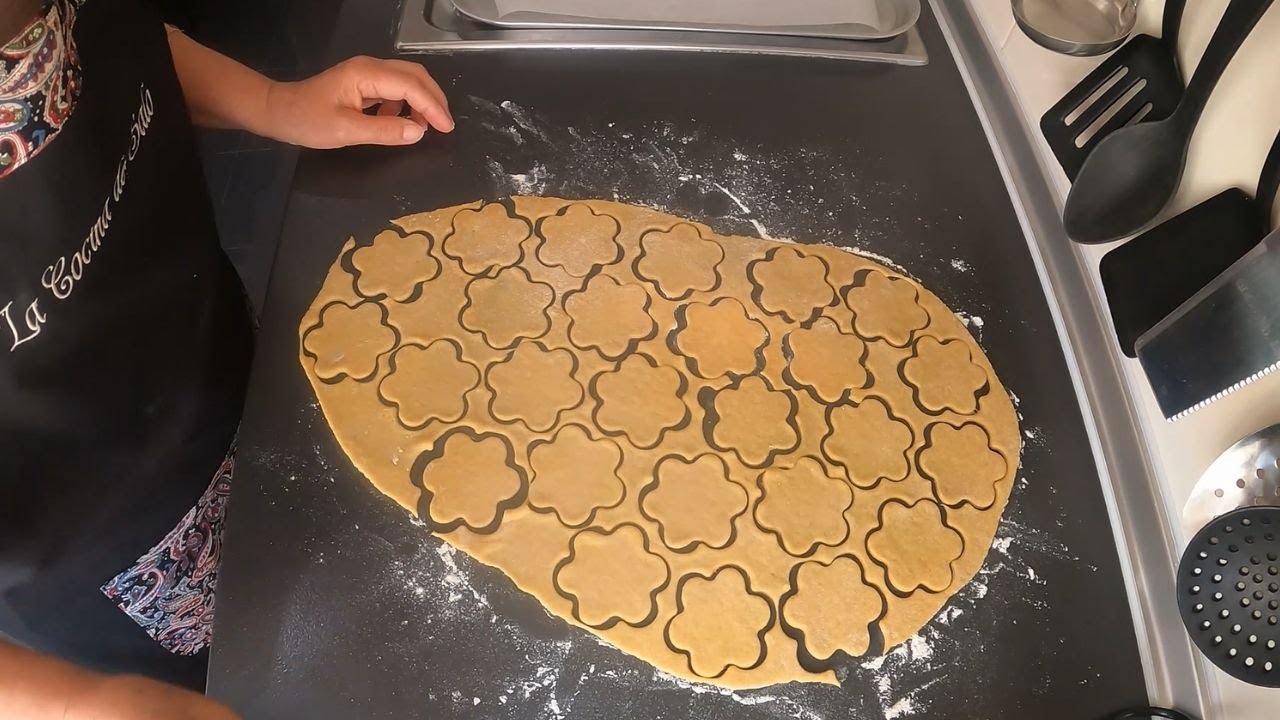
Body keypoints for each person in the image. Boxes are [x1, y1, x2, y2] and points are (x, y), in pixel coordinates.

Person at [0, 0, 453, 716]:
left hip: (226, 373)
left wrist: (273, 102)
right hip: (105, 562)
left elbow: (115, 47)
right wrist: (82, 702)